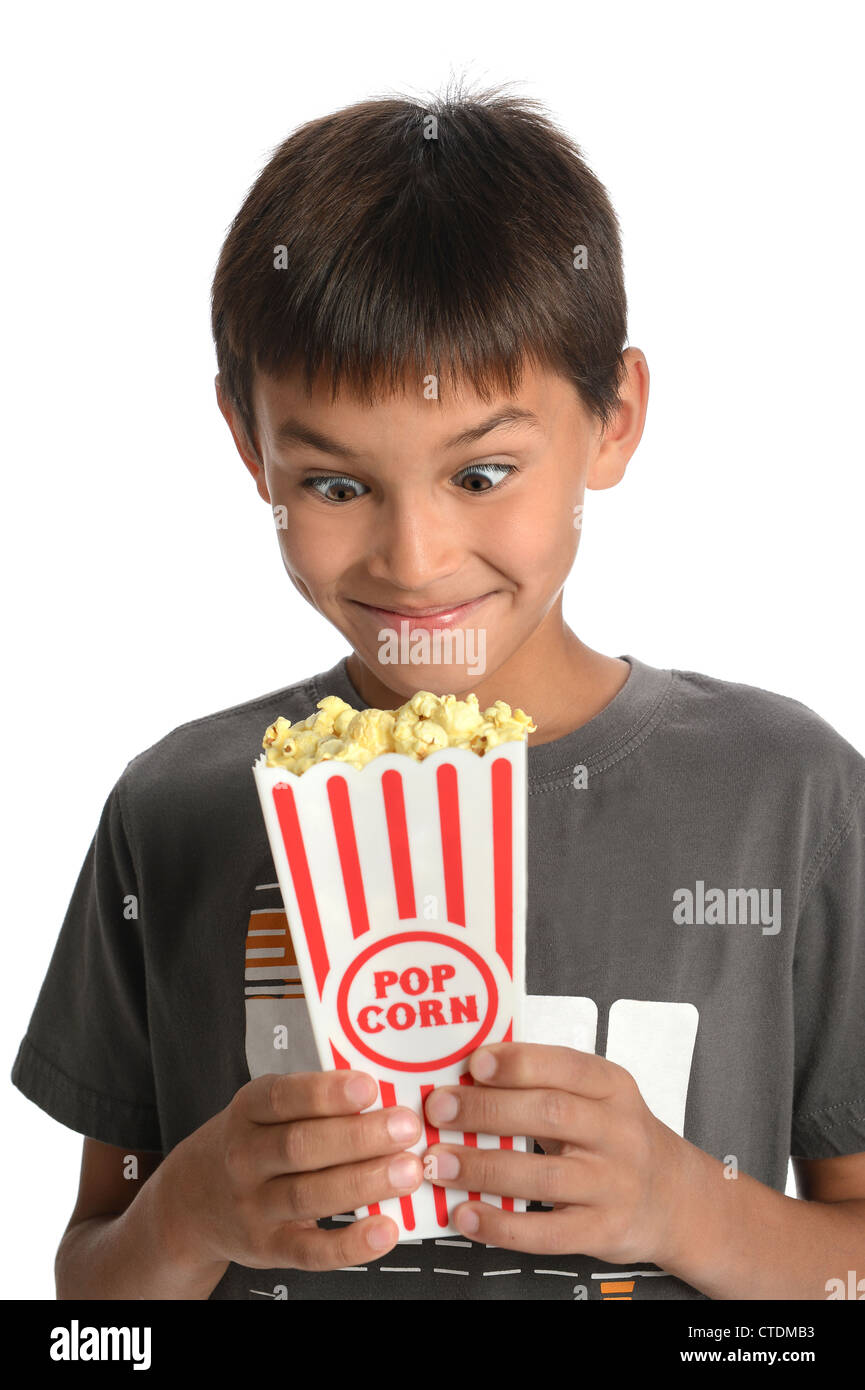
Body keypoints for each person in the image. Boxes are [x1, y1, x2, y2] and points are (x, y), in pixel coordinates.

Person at [11, 81, 865, 1301]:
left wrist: (688, 1206)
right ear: (250, 448)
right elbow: (93, 1294)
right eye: (337, 485)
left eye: (484, 471)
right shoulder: (179, 808)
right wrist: (191, 1212)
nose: (414, 560)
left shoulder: (789, 801)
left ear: (614, 418)